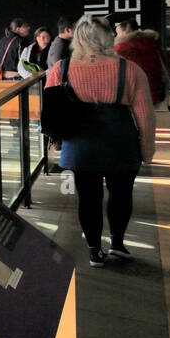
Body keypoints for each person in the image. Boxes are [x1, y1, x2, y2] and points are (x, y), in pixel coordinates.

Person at [45, 15, 156, 268]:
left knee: (88, 198)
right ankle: (118, 243)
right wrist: (146, 149)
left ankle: (94, 250)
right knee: (121, 195)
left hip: (80, 145)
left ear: (78, 38)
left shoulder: (61, 69)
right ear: (108, 37)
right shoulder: (130, 69)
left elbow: (53, 111)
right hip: (121, 142)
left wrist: (57, 142)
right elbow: (145, 115)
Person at [109, 13, 169, 106]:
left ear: (125, 30)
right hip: (155, 91)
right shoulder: (152, 43)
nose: (116, 35)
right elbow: (162, 64)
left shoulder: (122, 48)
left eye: (118, 32)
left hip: (133, 94)